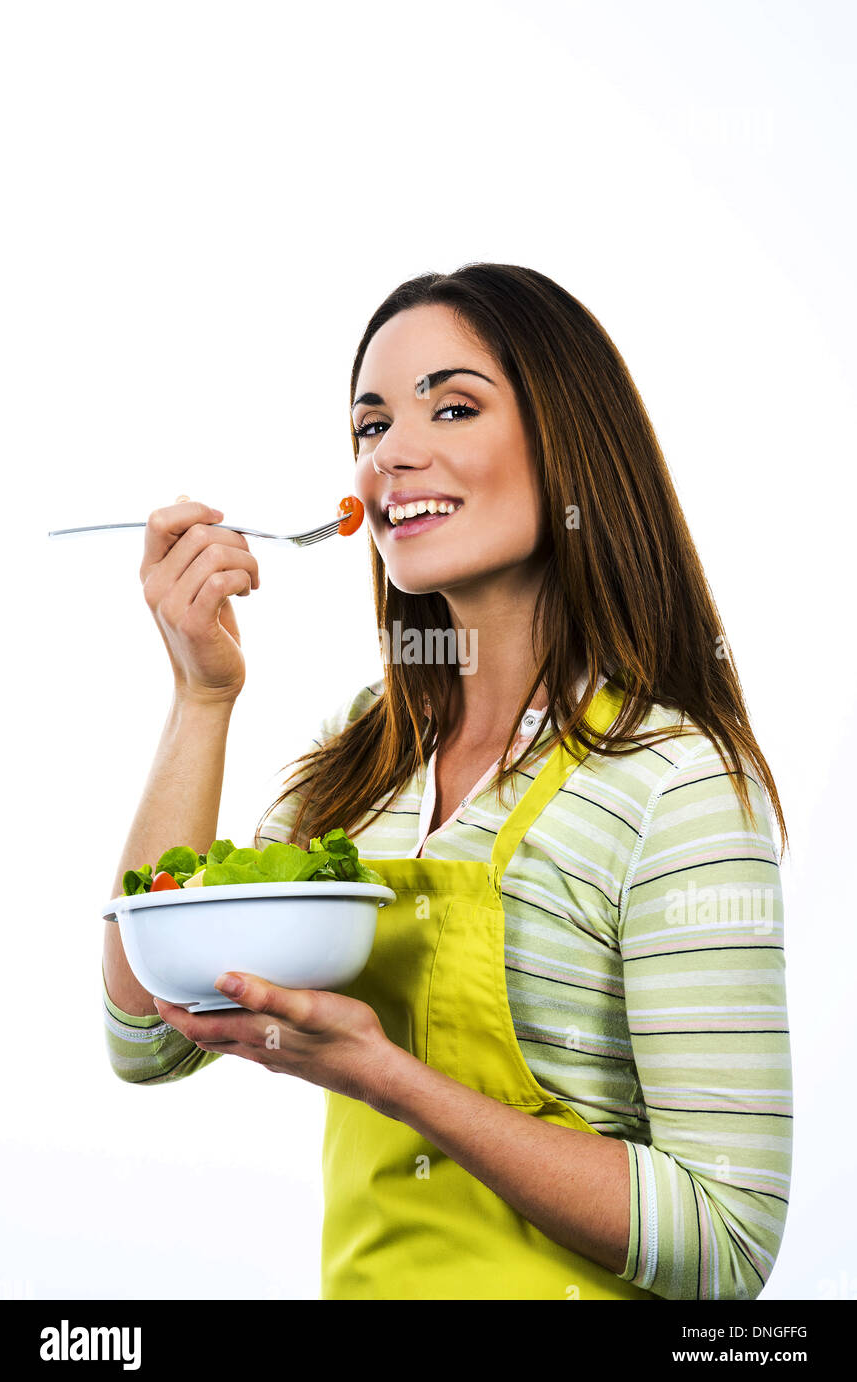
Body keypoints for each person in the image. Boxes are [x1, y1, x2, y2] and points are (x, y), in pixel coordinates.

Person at [103, 263, 792, 1300]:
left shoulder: (677, 783)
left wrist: (387, 1076)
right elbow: (147, 1033)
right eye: (369, 427)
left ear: (570, 443)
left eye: (452, 406)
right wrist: (203, 698)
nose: (391, 456)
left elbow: (726, 1241)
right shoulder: (362, 762)